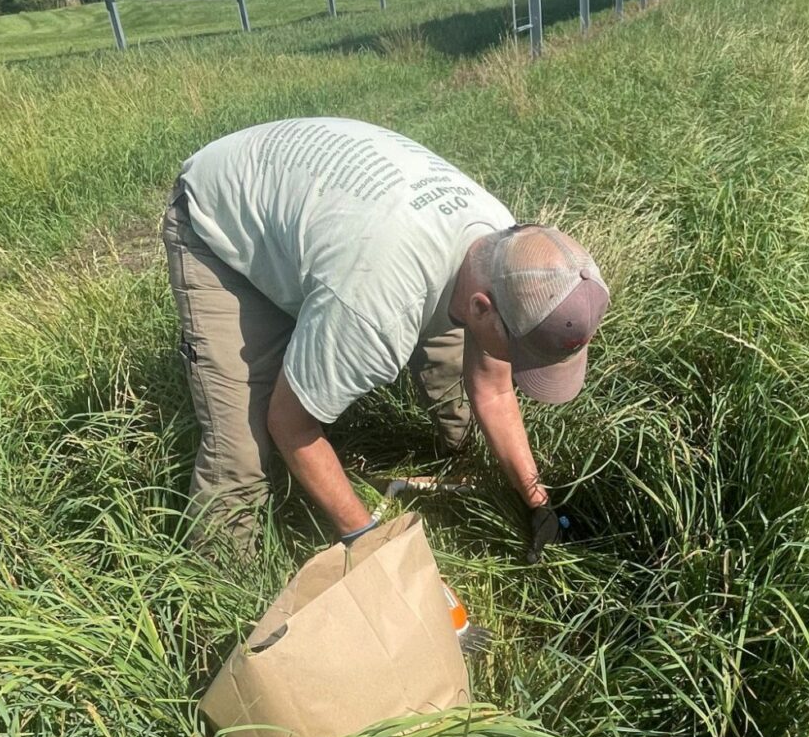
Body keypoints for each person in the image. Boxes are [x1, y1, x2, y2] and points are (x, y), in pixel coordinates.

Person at [161, 116, 608, 559]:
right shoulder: (376, 309)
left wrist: (537, 501)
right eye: (521, 354)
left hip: (329, 206)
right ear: (480, 307)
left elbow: (493, 389)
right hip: (221, 208)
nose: (520, 368)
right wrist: (373, 545)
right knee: (242, 441)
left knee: (449, 374)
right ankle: (223, 572)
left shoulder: (506, 249)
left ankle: (462, 464)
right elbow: (290, 424)